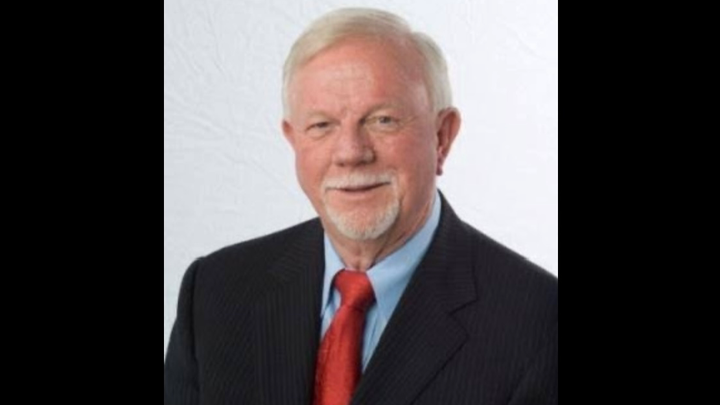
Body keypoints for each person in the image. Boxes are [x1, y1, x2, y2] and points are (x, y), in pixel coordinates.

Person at [165, 7, 557, 405]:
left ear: (442, 137)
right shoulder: (215, 292)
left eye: (382, 120)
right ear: (294, 140)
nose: (351, 153)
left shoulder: (540, 324)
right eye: (322, 125)